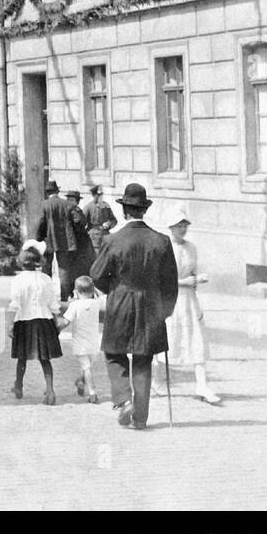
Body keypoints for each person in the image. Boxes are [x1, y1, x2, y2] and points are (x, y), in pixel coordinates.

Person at [91, 183, 179, 430]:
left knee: (114, 353)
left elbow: (96, 274)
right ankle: (141, 417)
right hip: (151, 307)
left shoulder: (112, 240)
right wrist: (165, 310)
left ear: (124, 211)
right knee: (143, 358)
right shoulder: (161, 241)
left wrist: (114, 289)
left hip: (120, 304)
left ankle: (123, 400)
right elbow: (171, 283)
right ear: (143, 210)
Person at [156, 208, 221, 405]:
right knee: (168, 339)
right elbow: (161, 279)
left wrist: (198, 279)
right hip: (170, 299)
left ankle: (201, 384)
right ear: (171, 227)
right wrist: (186, 281)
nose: (182, 229)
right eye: (178, 225)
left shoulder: (192, 247)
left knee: (196, 340)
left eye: (184, 225)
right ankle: (157, 381)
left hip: (189, 301)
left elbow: (194, 271)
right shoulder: (164, 248)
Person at [7, 240, 61, 405]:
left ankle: (19, 385)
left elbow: (15, 303)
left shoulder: (18, 280)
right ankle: (50, 391)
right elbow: (53, 303)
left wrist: (10, 324)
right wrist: (57, 320)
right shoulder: (45, 279)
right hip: (45, 321)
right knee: (45, 359)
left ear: (22, 262)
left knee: (22, 358)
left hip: (24, 322)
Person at [58, 275, 104, 403]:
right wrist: (96, 290)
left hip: (80, 343)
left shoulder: (75, 305)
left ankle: (92, 392)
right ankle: (80, 382)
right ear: (92, 290)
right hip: (94, 343)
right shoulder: (96, 303)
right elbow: (103, 297)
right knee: (88, 366)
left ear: (76, 292)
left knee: (86, 367)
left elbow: (66, 322)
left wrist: (57, 330)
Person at [35, 181, 77, 299]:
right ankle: (64, 297)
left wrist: (39, 238)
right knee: (64, 269)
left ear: (47, 192)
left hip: (48, 239)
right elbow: (77, 221)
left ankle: (47, 296)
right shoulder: (67, 204)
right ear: (57, 191)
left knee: (46, 268)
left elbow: (41, 222)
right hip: (65, 241)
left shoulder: (44, 204)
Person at [62, 188, 97, 284]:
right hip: (74, 241)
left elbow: (83, 221)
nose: (70, 202)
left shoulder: (77, 210)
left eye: (72, 200)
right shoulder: (69, 211)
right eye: (69, 199)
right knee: (73, 266)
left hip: (81, 242)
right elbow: (78, 222)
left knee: (81, 266)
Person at [84, 184, 117, 254]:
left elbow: (114, 220)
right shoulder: (88, 207)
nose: (100, 197)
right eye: (98, 195)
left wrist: (109, 224)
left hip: (105, 236)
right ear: (94, 195)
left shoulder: (106, 206)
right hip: (93, 238)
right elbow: (82, 222)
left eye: (101, 195)